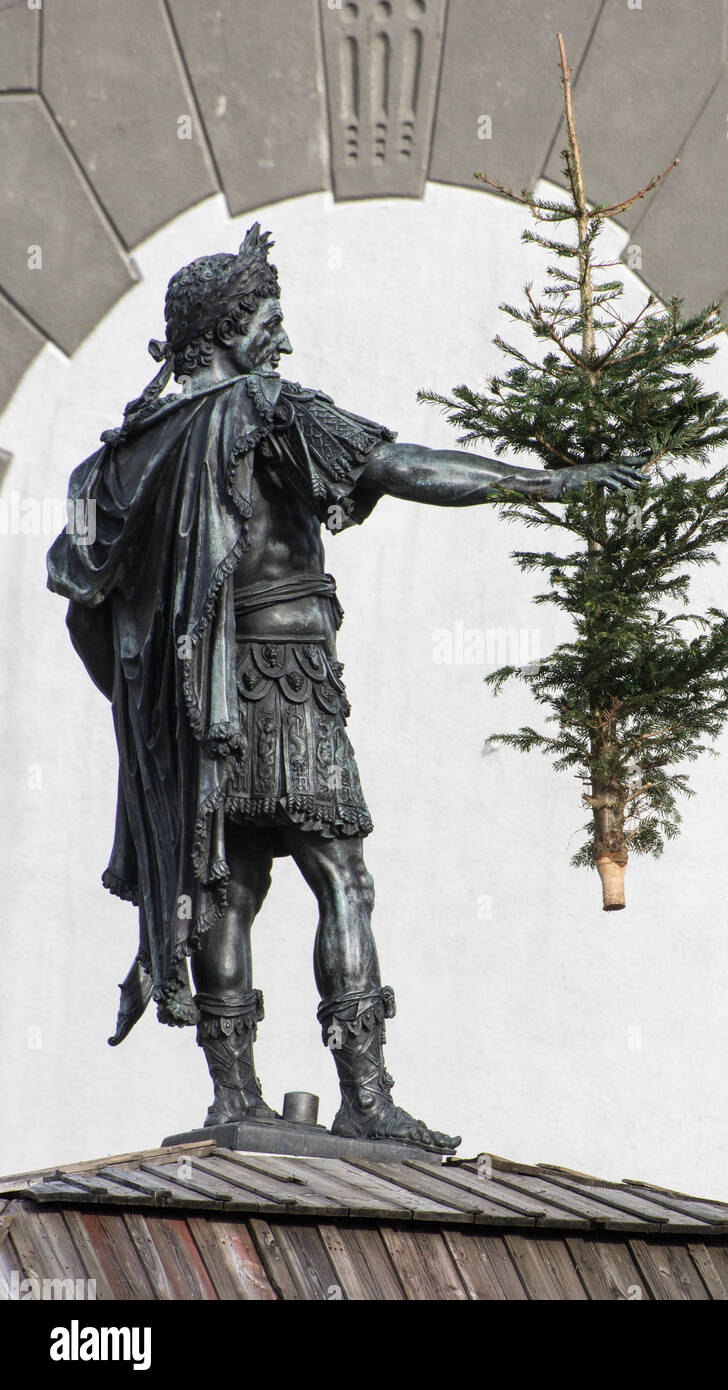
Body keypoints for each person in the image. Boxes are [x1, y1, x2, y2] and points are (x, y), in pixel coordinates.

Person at [47, 224, 644, 1153]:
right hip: (287, 683)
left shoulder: (118, 460)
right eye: (268, 321)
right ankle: (366, 1096)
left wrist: (165, 703)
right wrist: (547, 482)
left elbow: (87, 610)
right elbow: (396, 466)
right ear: (228, 330)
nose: (281, 340)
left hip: (194, 717)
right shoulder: (265, 412)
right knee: (343, 880)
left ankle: (233, 1099)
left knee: (228, 889)